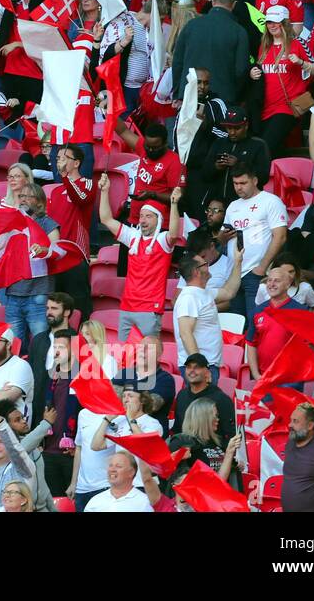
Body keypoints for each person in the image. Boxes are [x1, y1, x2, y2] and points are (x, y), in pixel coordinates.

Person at [99, 178, 183, 339]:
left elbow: (173, 233)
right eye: (141, 216)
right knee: (125, 358)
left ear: (158, 219)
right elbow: (106, 220)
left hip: (149, 309)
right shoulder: (133, 237)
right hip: (127, 307)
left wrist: (173, 204)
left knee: (148, 359)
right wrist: (104, 191)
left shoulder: (162, 240)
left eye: (148, 216)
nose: (143, 220)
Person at [223, 167, 289, 327]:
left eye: (243, 183)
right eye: (235, 183)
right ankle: (239, 353)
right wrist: (221, 238)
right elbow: (224, 236)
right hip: (234, 273)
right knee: (236, 326)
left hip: (256, 273)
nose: (239, 187)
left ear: (255, 180)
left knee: (258, 324)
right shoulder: (233, 206)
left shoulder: (270, 201)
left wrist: (261, 268)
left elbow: (280, 237)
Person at [174, 249, 242, 377]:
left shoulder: (203, 293)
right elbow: (185, 333)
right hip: (200, 368)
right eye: (204, 264)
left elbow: (229, 292)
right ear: (196, 272)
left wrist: (238, 262)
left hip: (208, 365)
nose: (208, 264)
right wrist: (199, 366)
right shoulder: (189, 297)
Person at [170, 354, 237, 441]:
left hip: (213, 450)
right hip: (186, 449)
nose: (192, 371)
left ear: (207, 373)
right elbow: (178, 428)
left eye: (197, 367)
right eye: (188, 367)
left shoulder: (221, 399)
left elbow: (231, 433)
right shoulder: (182, 395)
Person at [82, 450, 154, 513]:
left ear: (131, 472)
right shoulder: (95, 501)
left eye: (118, 466)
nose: (112, 469)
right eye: (110, 465)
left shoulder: (144, 503)